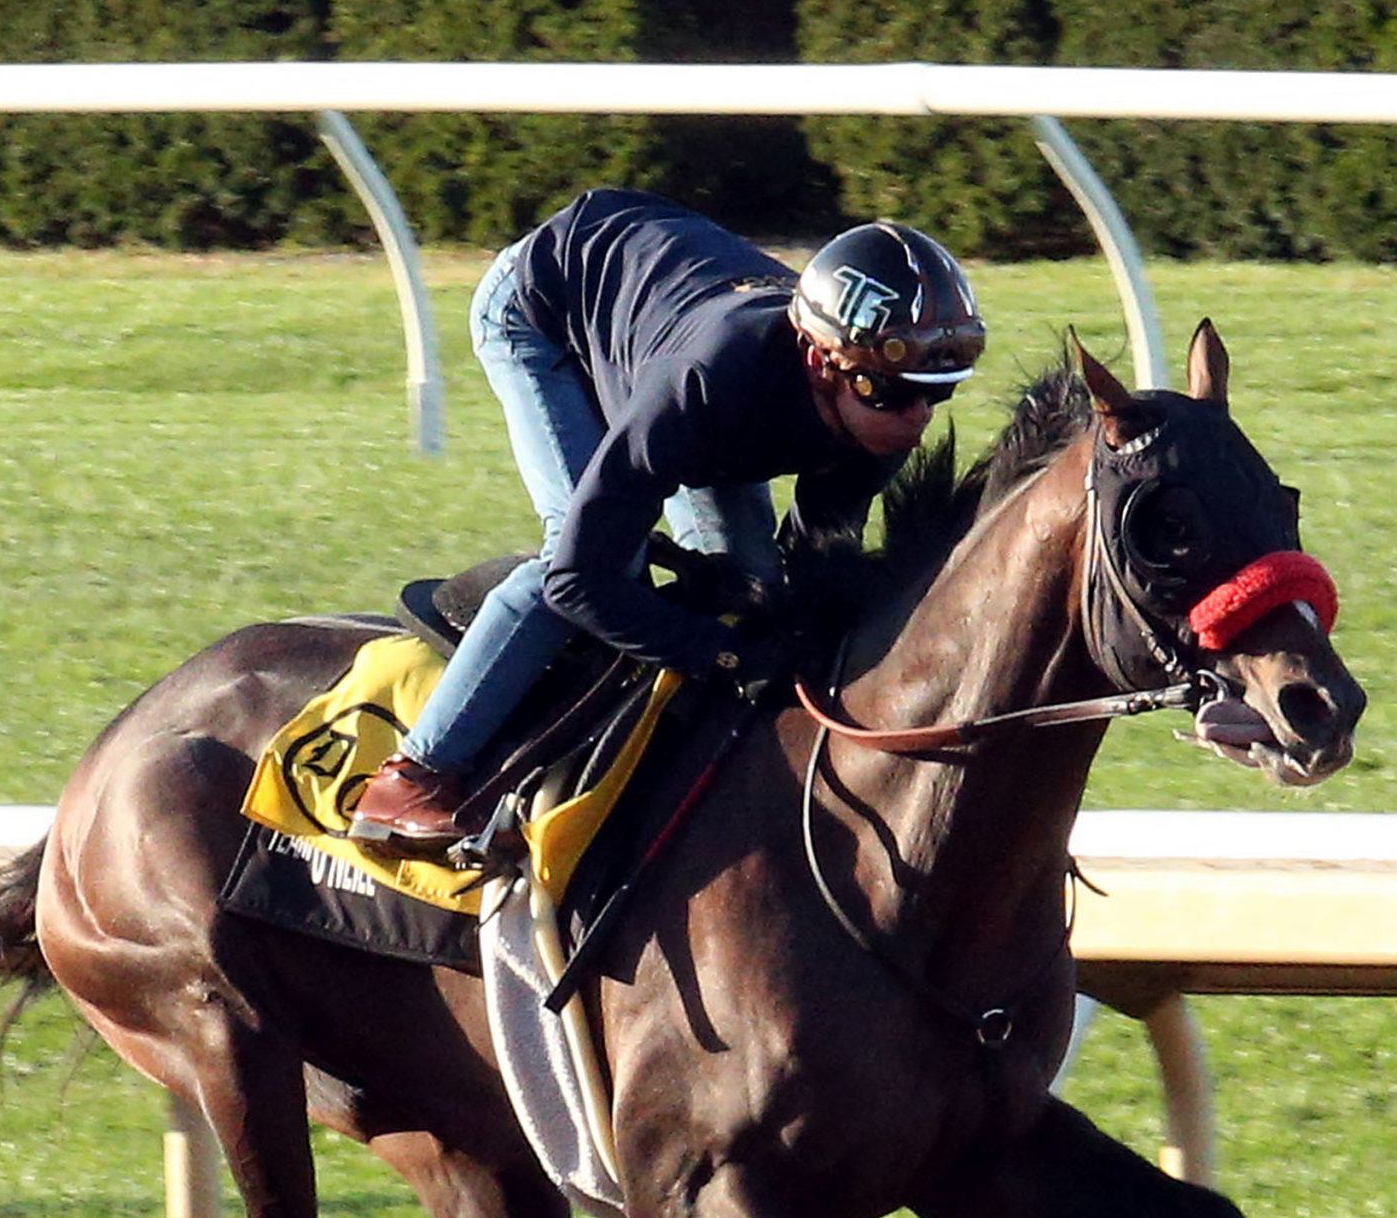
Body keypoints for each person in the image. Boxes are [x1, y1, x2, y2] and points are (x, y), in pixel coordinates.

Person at [347, 187, 986, 850]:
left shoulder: (876, 419)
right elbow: (577, 579)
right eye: (894, 394)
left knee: (754, 580)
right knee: (595, 564)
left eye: (936, 397)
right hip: (544, 309)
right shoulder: (702, 385)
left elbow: (809, 565)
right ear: (824, 361)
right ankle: (413, 775)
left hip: (678, 331)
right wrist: (729, 655)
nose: (915, 421)